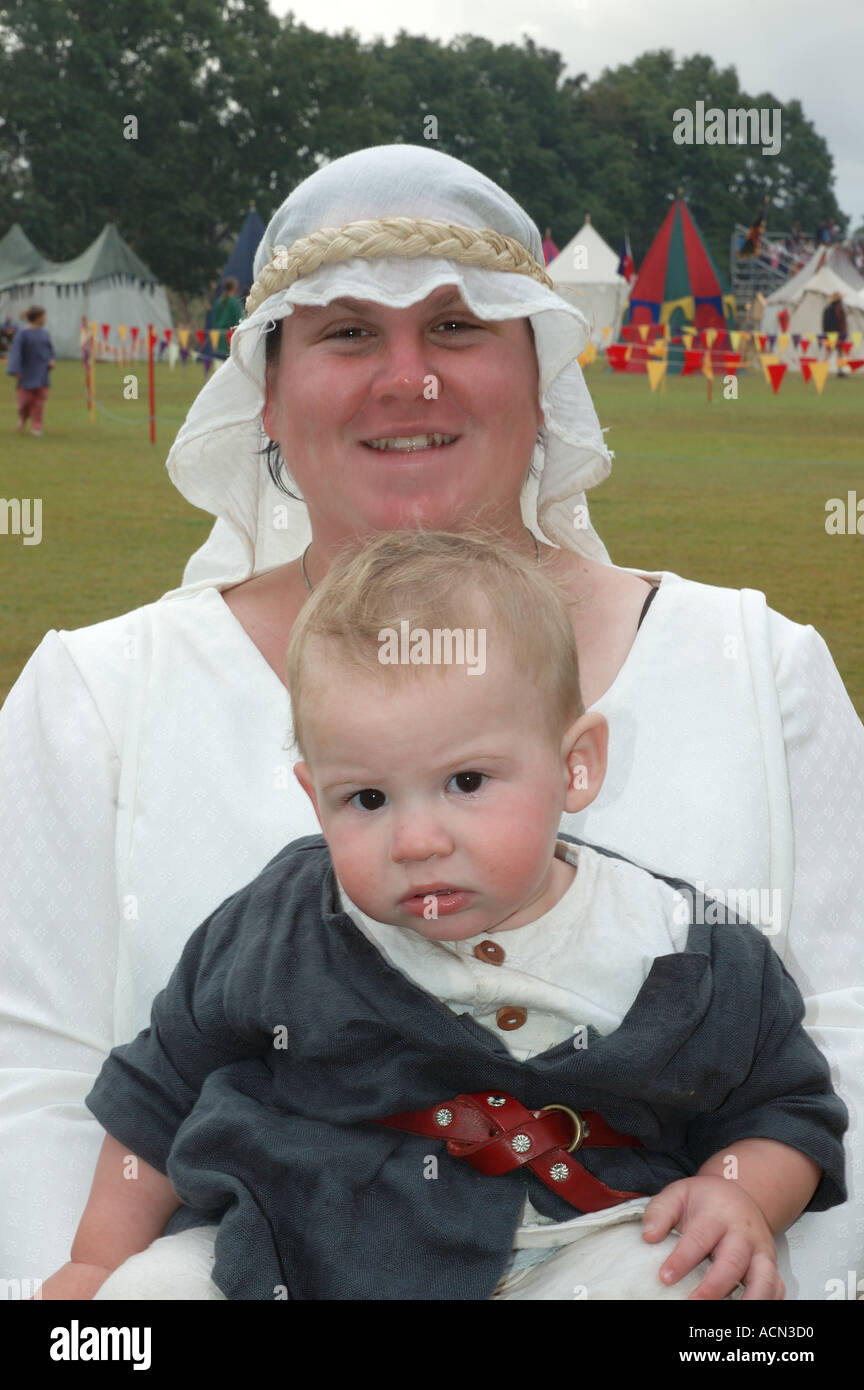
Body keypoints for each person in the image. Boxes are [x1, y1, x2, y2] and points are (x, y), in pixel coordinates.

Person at [0, 143, 862, 1300]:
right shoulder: (93, 697)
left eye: (457, 327)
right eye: (348, 331)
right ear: (269, 384)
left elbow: (843, 1056)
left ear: (539, 369)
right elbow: (32, 1085)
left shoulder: (762, 668)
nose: (408, 378)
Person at [38, 531, 847, 1302]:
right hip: (291, 1246)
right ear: (314, 801)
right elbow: (156, 1095)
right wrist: (94, 1263)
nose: (418, 841)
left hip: (576, 1250)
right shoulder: (277, 927)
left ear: (577, 764)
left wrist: (744, 1196)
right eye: (367, 798)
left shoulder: (681, 949)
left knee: (709, 1292)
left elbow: (786, 1105)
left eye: (466, 782)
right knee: (150, 1300)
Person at [5, 303, 55, 435]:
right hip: (26, 374)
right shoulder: (22, 334)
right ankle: (23, 418)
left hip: (42, 373)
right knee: (24, 402)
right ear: (37, 317)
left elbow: (50, 350)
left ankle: (36, 427)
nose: (45, 319)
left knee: (39, 401)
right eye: (43, 316)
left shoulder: (44, 333)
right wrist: (14, 369)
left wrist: (51, 360)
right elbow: (16, 352)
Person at [210, 275, 244, 353]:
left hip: (218, 337)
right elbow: (240, 321)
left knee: (218, 363)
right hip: (230, 337)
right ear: (234, 287)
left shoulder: (218, 302)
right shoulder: (235, 303)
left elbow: (214, 321)